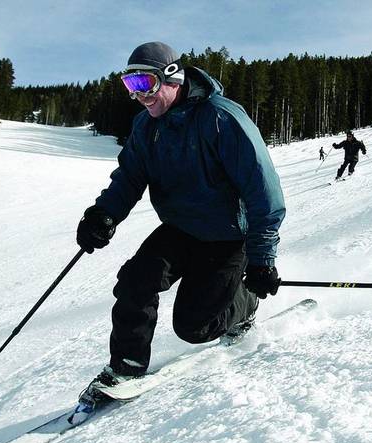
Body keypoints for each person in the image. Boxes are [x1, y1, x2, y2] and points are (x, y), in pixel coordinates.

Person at [71, 41, 286, 422]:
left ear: (173, 76)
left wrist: (262, 259)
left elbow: (263, 191)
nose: (140, 96)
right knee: (136, 279)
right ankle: (127, 365)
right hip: (179, 229)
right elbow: (130, 177)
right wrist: (103, 214)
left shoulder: (222, 118)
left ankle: (245, 303)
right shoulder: (145, 126)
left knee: (194, 327)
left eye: (145, 83)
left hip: (226, 236)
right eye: (130, 86)